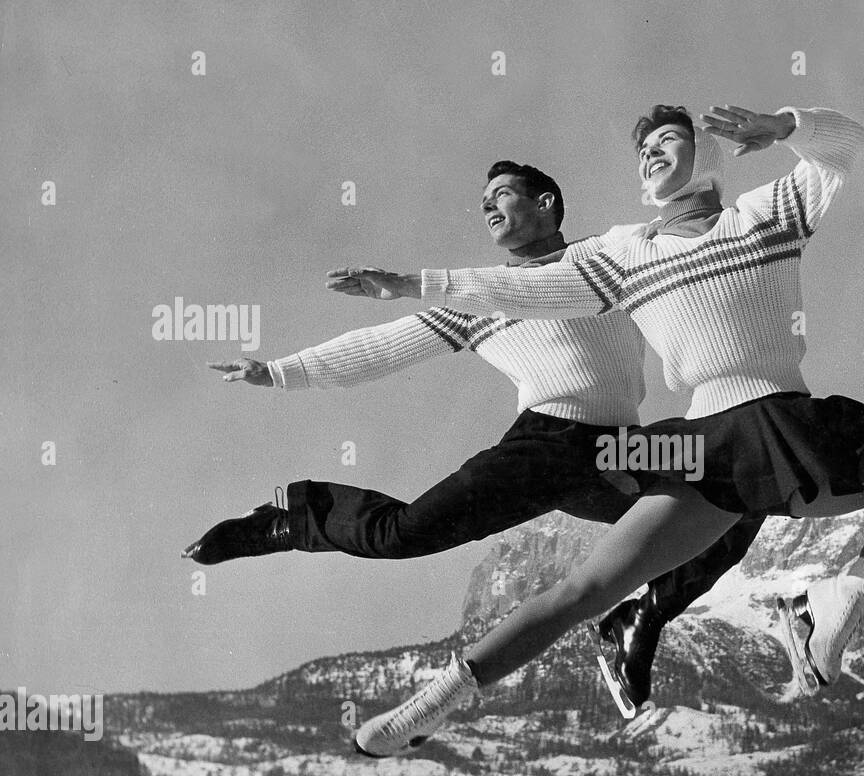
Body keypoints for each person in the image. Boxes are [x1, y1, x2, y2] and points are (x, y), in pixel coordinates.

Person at [341, 103, 864, 758]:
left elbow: (847, 139)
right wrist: (414, 285)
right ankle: (433, 703)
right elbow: (517, 290)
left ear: (707, 158)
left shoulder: (766, 215)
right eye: (642, 148)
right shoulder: (624, 254)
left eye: (667, 140)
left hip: (792, 421)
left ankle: (840, 599)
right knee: (585, 591)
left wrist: (786, 125)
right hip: (705, 449)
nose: (650, 152)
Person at [182, 159, 764, 719]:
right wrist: (279, 371)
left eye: (502, 195)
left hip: (619, 450)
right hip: (545, 448)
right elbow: (384, 347)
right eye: (483, 202)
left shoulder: (607, 256)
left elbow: (686, 221)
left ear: (546, 204)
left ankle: (639, 619)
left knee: (742, 491)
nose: (488, 205)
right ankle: (298, 516)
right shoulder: (477, 299)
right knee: (404, 534)